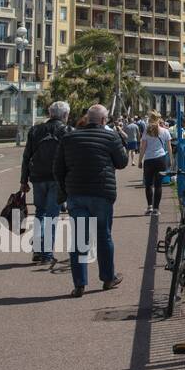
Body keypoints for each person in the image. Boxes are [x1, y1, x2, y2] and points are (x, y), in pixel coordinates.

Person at [55, 104, 128, 297]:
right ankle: (108, 278)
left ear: (87, 119)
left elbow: (58, 168)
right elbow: (122, 163)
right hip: (101, 194)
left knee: (79, 239)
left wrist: (65, 191)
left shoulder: (69, 137)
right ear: (104, 121)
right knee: (104, 236)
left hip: (76, 194)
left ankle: (79, 284)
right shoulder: (110, 136)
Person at [19, 100, 70, 266]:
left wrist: (23, 180)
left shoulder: (36, 130)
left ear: (50, 114)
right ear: (65, 115)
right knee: (52, 215)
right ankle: (47, 254)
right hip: (57, 178)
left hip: (38, 177)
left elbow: (27, 156)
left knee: (40, 212)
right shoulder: (67, 130)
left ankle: (38, 251)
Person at [138, 111, 171, 217]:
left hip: (149, 160)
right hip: (161, 159)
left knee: (148, 185)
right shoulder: (165, 131)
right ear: (159, 119)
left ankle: (149, 207)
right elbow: (169, 147)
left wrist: (140, 160)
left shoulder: (146, 132)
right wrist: (171, 159)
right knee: (158, 185)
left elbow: (143, 147)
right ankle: (156, 209)